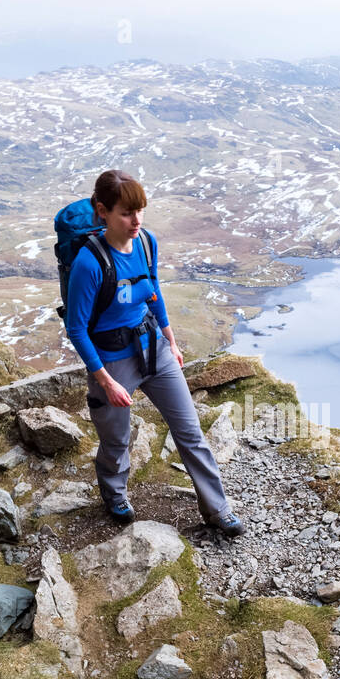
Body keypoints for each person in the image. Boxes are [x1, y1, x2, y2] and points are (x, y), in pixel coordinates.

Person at [65, 169, 246, 538]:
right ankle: (114, 495)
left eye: (140, 211)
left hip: (154, 349)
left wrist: (172, 341)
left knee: (190, 431)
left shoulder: (146, 242)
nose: (136, 221)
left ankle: (218, 509)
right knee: (116, 440)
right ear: (102, 211)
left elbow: (153, 292)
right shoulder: (89, 263)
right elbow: (76, 328)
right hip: (112, 360)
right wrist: (106, 381)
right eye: (126, 213)